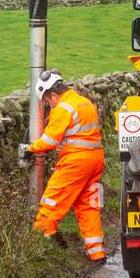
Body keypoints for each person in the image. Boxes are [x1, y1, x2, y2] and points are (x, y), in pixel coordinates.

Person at [28, 69, 106, 263]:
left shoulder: (63, 108)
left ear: (53, 94)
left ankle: (42, 236)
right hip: (95, 159)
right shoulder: (84, 102)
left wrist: (31, 148)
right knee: (88, 205)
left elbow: (49, 141)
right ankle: (97, 253)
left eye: (48, 101)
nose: (49, 105)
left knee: (52, 199)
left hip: (76, 162)